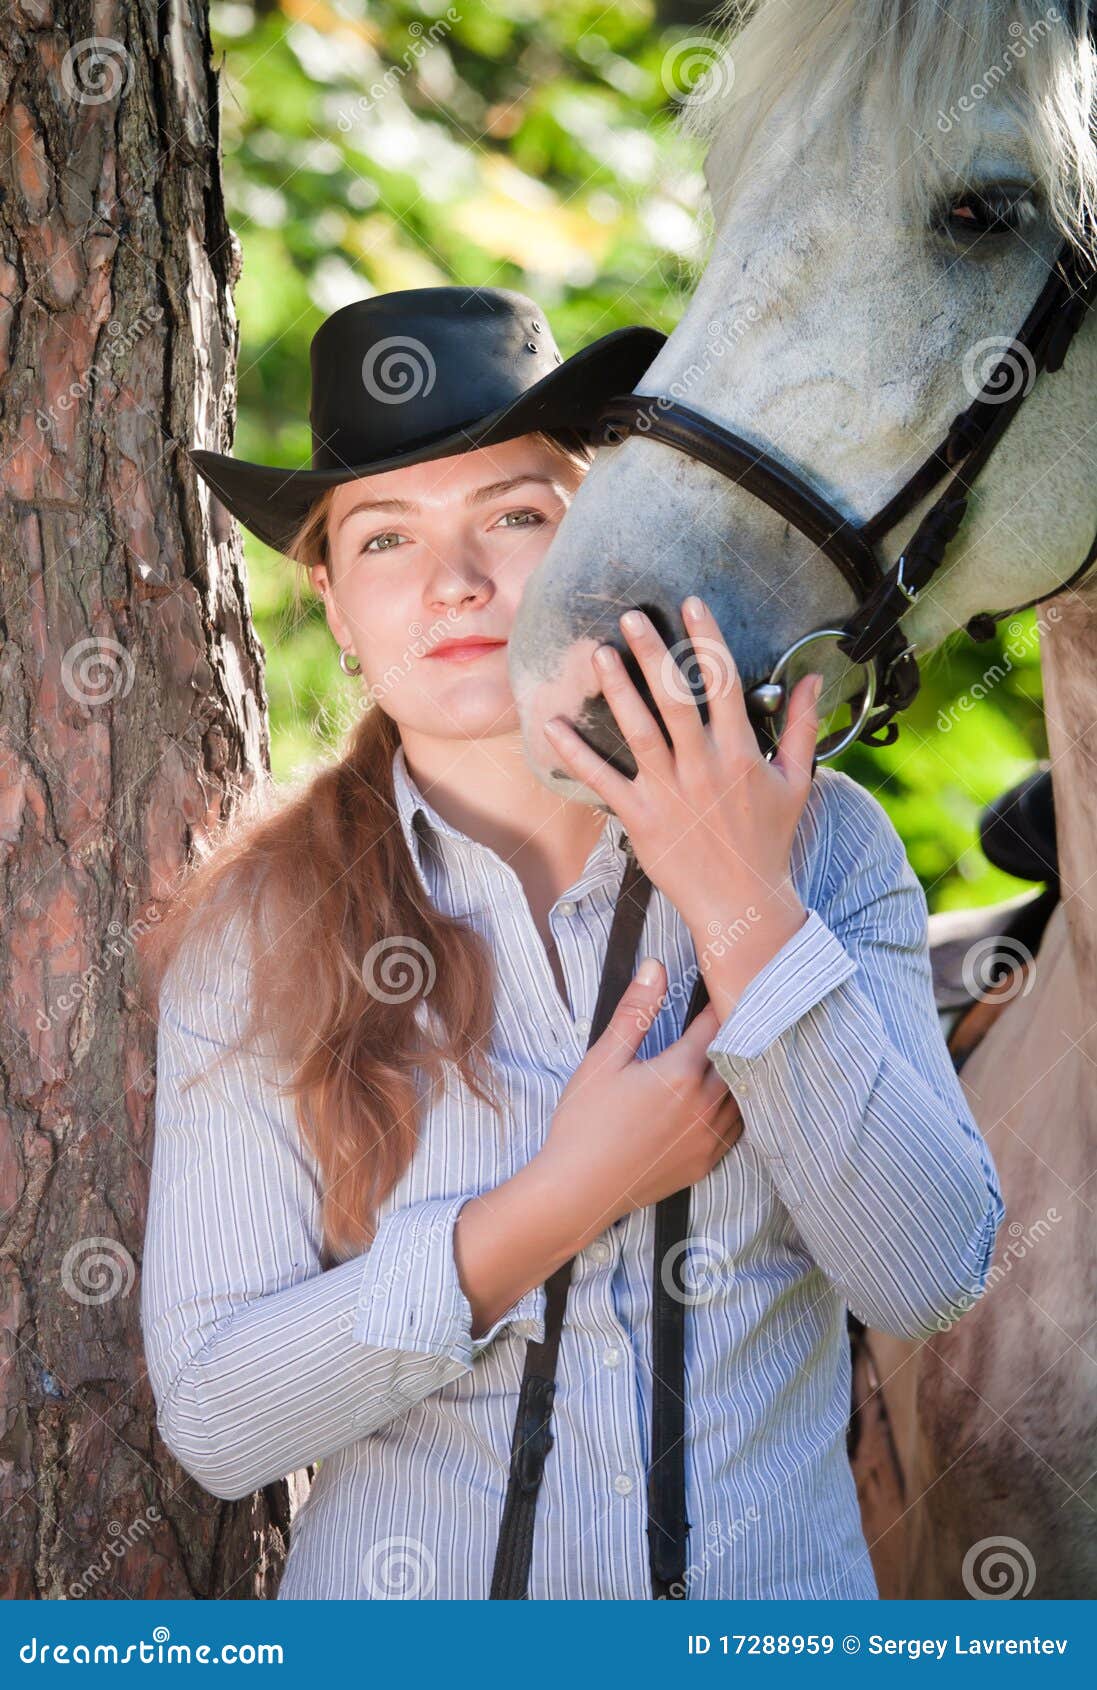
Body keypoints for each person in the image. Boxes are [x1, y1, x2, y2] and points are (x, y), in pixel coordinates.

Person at [138, 284, 1004, 1601]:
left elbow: (928, 1275)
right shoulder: (262, 926)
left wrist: (740, 902)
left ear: (600, 531)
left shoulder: (820, 840)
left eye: (514, 516)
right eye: (386, 538)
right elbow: (216, 1416)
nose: (455, 582)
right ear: (333, 598)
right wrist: (560, 1199)